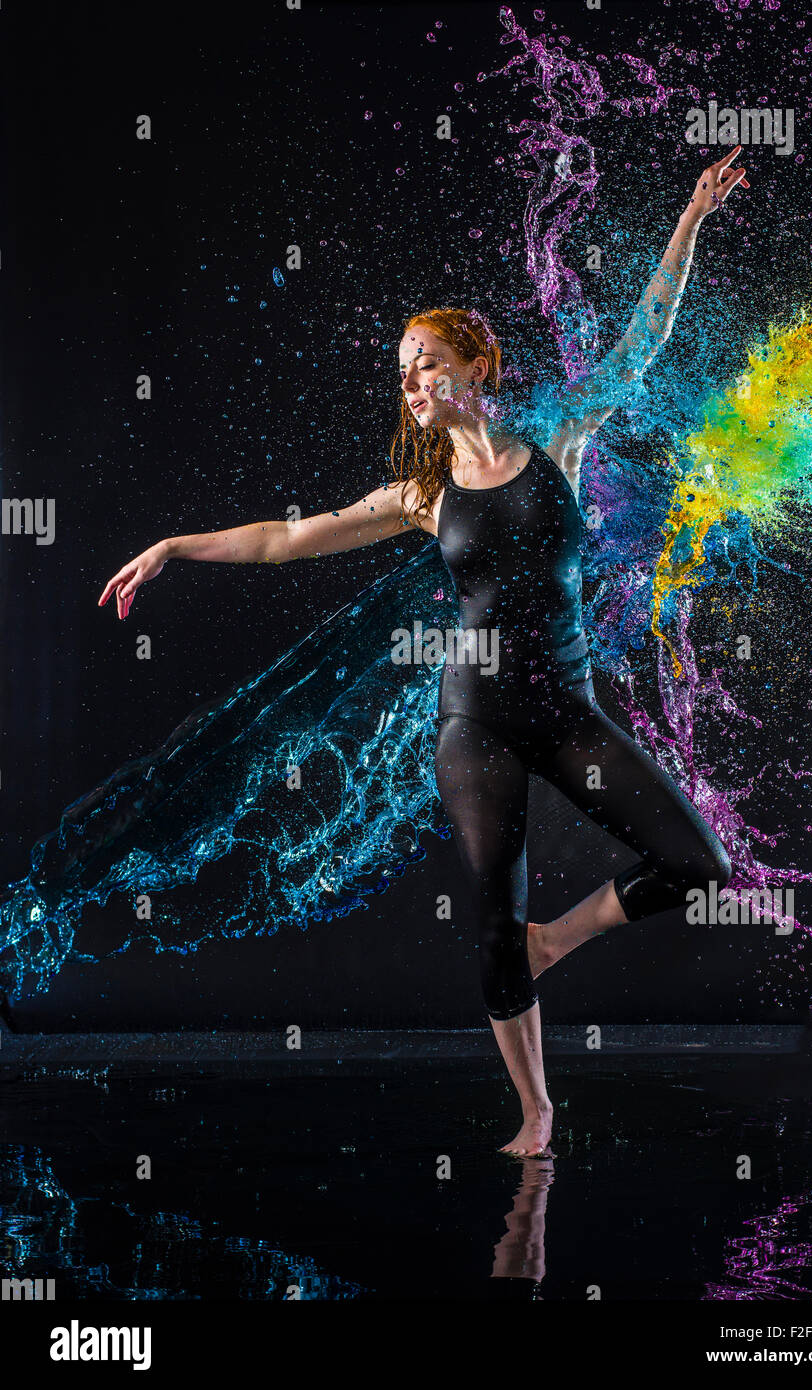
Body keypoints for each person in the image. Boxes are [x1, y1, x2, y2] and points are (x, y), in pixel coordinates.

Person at [100, 148, 748, 1156]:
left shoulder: (557, 436)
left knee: (695, 862)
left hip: (566, 713)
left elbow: (642, 344)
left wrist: (691, 218)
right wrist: (173, 546)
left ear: (474, 366)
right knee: (492, 918)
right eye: (401, 375)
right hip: (475, 723)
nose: (410, 385)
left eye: (427, 365)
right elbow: (288, 535)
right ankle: (535, 1113)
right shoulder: (419, 495)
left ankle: (557, 942)